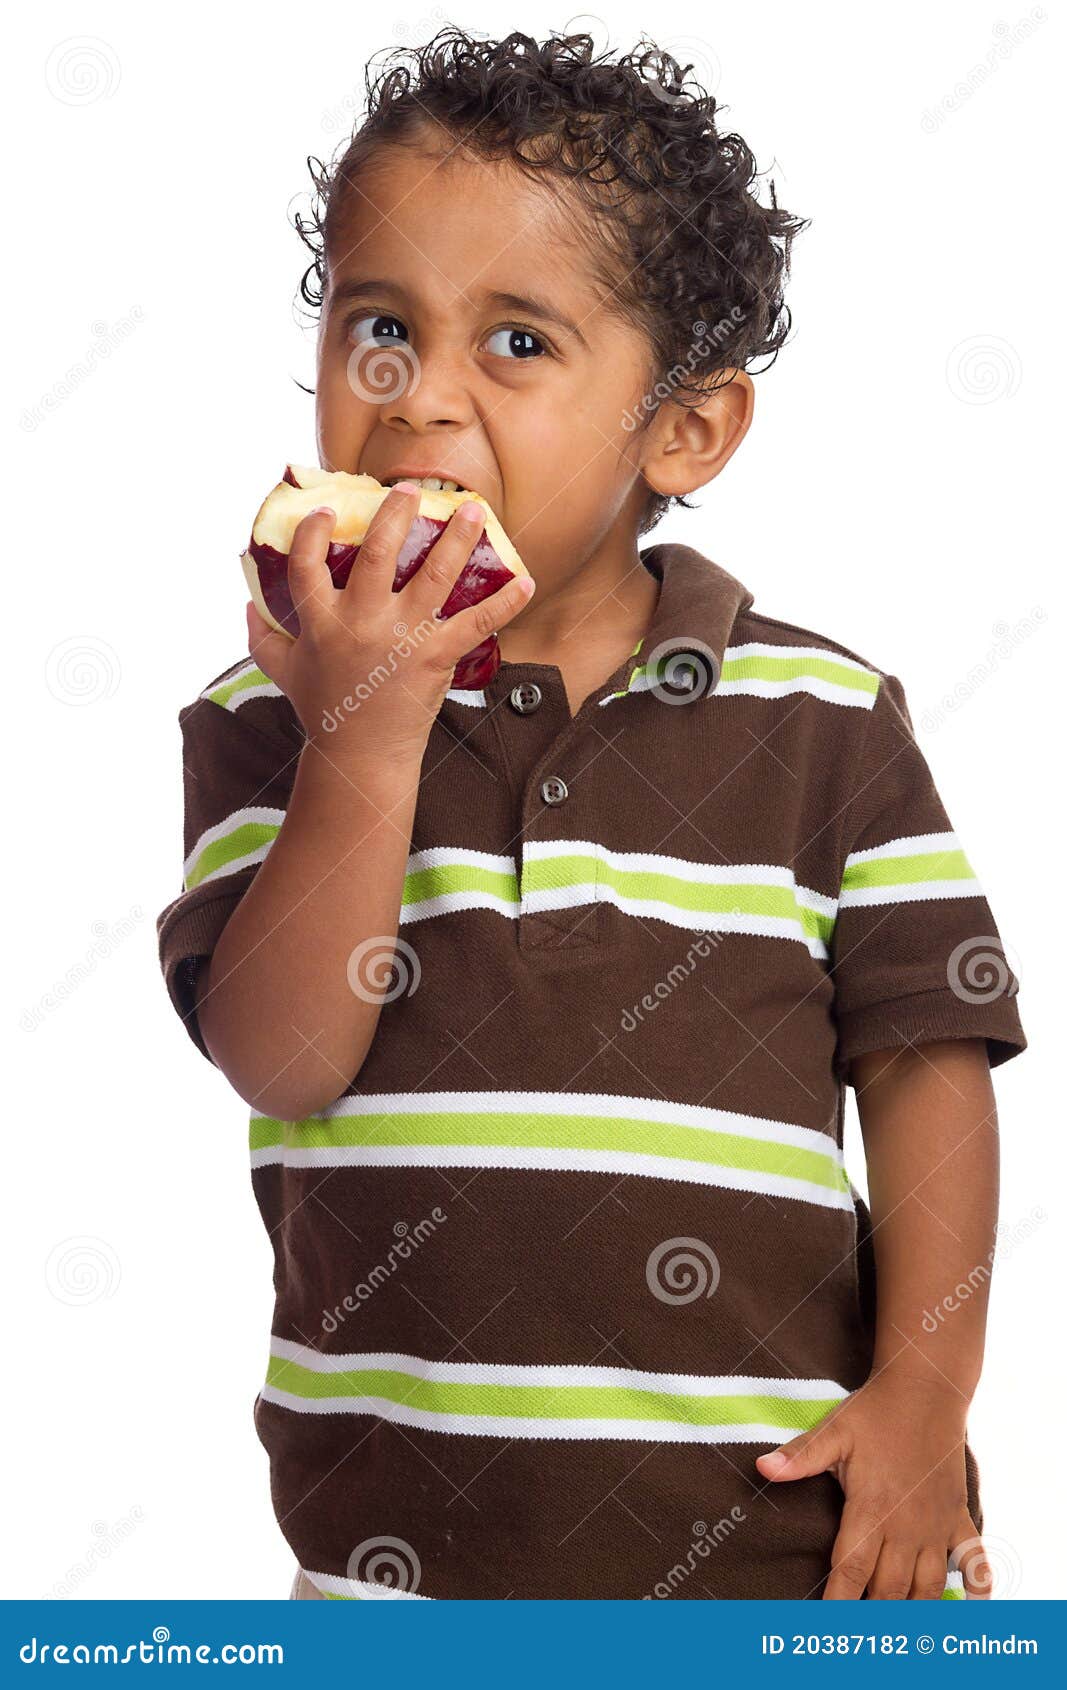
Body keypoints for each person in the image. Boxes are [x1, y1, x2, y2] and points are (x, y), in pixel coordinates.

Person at [157, 28, 1025, 1601]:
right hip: (395, 1581)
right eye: (377, 329)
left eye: (517, 345)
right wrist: (364, 734)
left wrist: (928, 1393)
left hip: (790, 1555)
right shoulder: (267, 709)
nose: (416, 398)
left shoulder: (824, 721)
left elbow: (926, 1067)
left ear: (681, 431)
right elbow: (283, 1053)